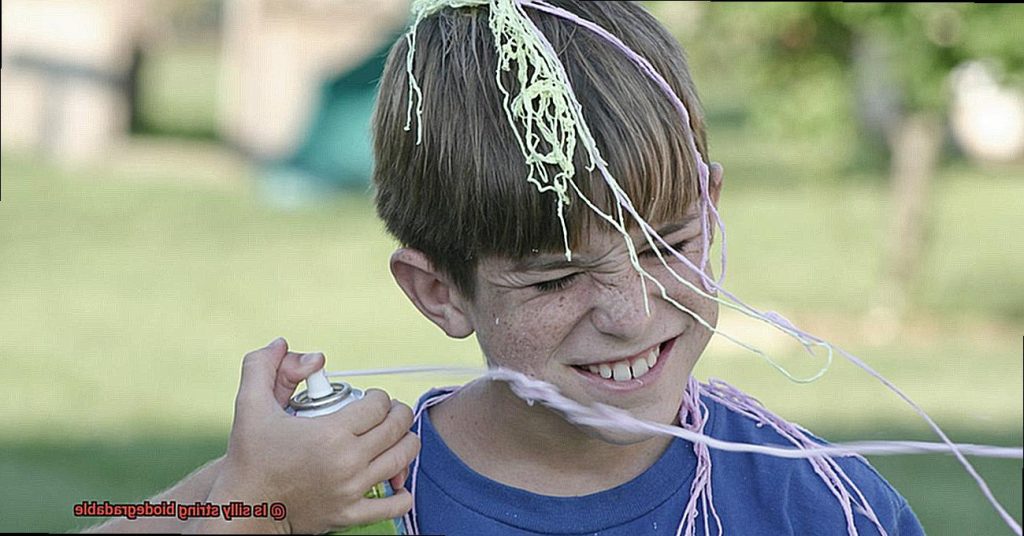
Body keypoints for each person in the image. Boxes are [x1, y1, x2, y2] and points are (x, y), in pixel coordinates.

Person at [89, 1, 925, 534]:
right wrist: (248, 509)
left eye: (667, 243)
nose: (632, 314)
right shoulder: (337, 485)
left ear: (712, 203)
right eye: (558, 279)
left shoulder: (824, 507)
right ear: (438, 291)